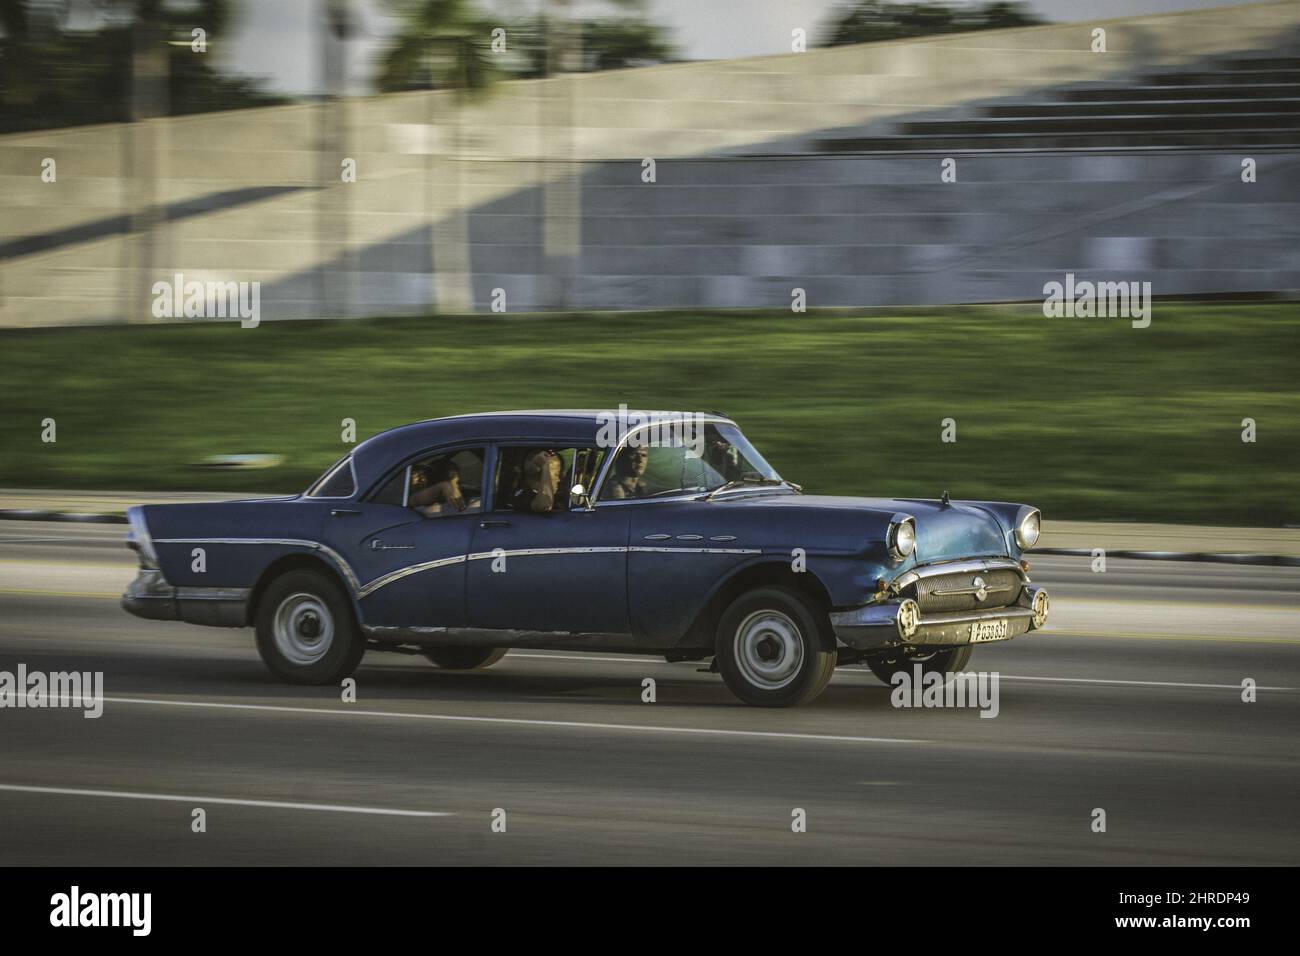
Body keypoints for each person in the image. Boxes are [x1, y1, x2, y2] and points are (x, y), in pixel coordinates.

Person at [509, 449, 565, 513]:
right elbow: (545, 506)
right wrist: (545, 465)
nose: (559, 480)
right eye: (556, 475)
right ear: (542, 475)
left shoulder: (559, 495)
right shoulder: (522, 494)